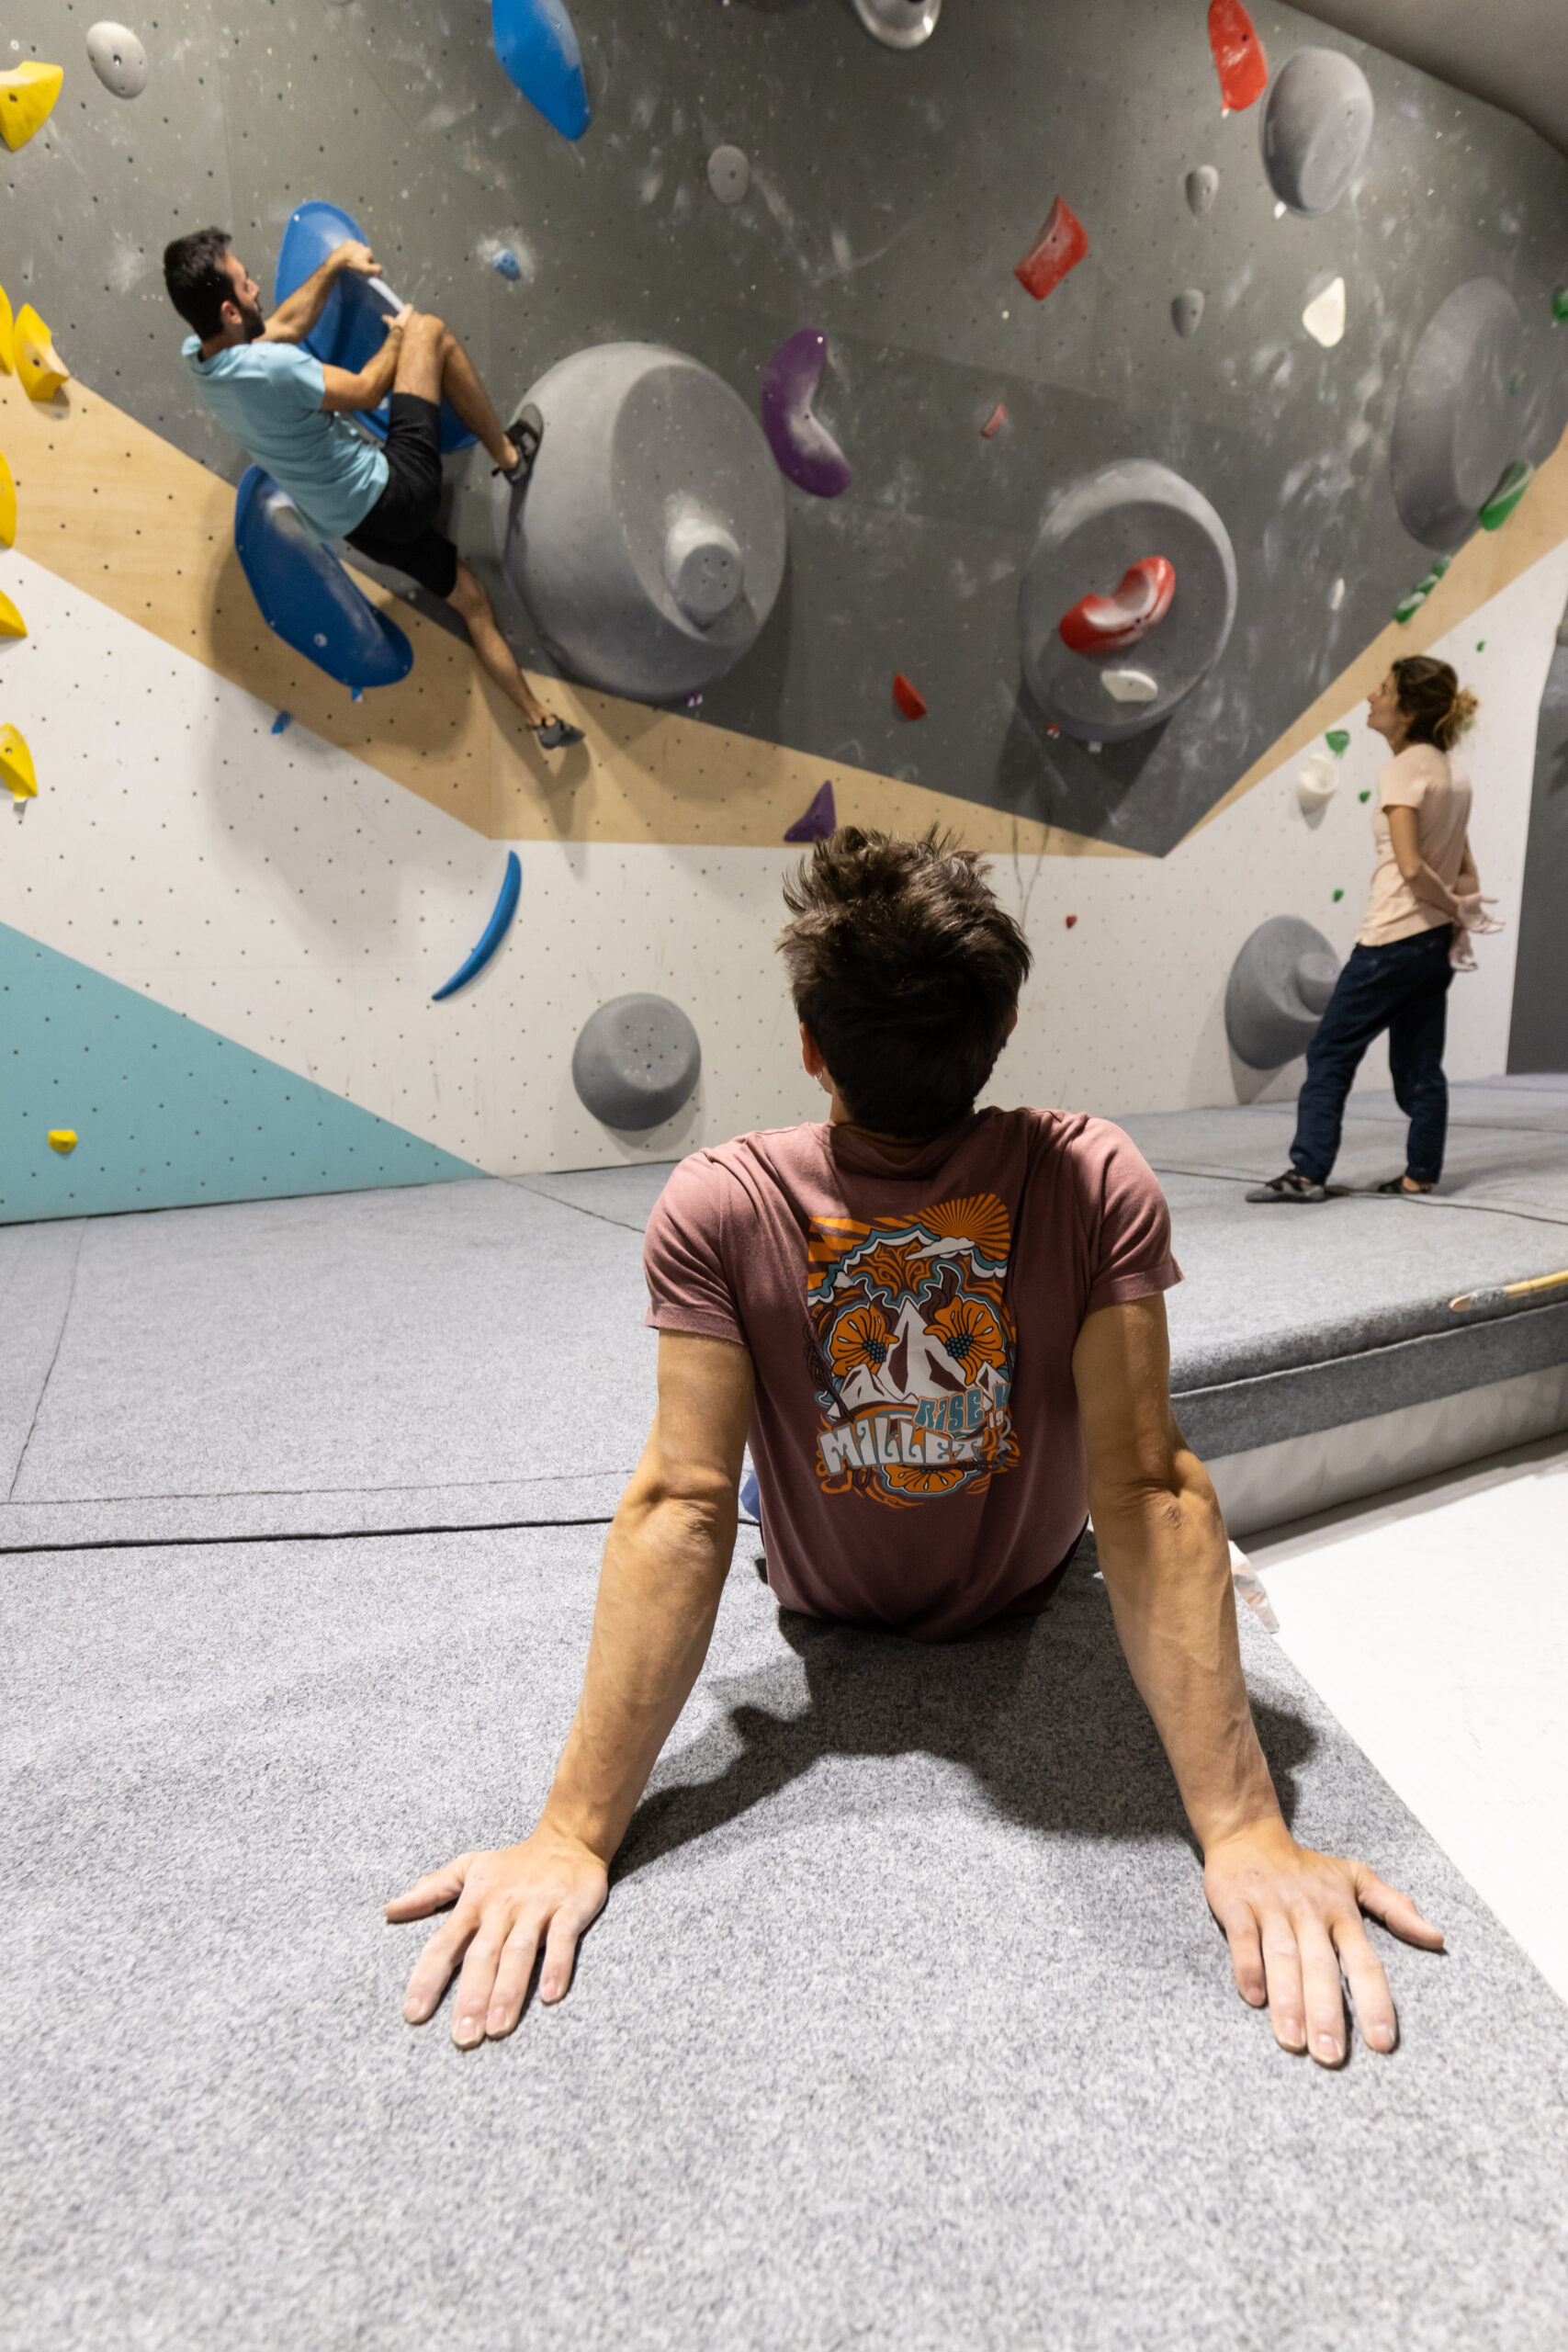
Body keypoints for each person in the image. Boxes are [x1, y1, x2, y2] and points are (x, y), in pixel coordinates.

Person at [388, 828, 1442, 2064]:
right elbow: (1144, 1480)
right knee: (1161, 1482)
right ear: (999, 1031)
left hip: (827, 1599)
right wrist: (1246, 1830)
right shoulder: (1092, 1172)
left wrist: (570, 1835)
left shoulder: (718, 1201)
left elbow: (681, 1498)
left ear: (807, 1046)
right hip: (1022, 1585)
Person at [162, 226, 584, 752]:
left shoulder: (200, 357)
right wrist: (399, 335)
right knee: (432, 333)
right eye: (246, 287)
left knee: (472, 602)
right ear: (228, 311)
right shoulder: (273, 370)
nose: (256, 291)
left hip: (356, 528)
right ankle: (509, 456)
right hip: (395, 493)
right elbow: (365, 390)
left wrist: (336, 263)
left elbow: (285, 325)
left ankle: (538, 718)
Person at [1248, 656, 1496, 1205]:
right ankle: (1420, 1174)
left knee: (1330, 1053)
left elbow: (1411, 868)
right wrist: (1457, 917)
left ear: (1406, 712)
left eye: (1382, 690)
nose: (1371, 697)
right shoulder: (1453, 772)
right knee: (1420, 1067)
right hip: (1431, 945)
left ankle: (1308, 1172)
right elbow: (1466, 866)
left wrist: (1451, 903)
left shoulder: (1405, 768)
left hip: (1391, 941)